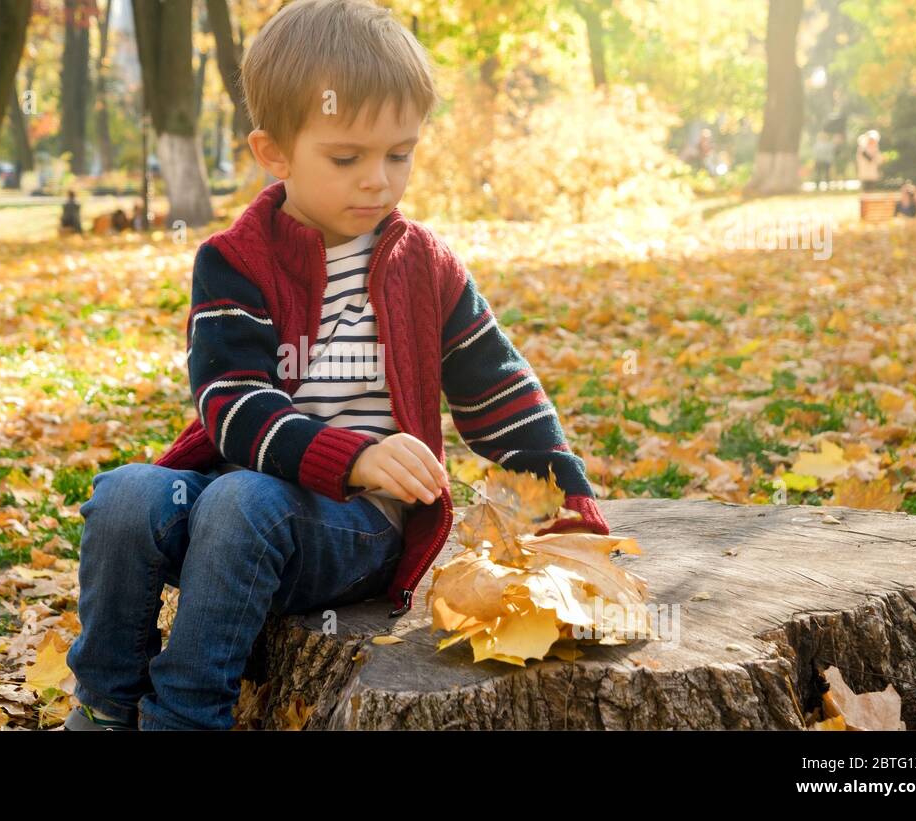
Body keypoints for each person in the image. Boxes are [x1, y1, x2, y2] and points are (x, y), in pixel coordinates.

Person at [63, 0, 609, 732]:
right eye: (347, 157)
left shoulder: (427, 267)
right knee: (128, 493)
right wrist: (355, 452)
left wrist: (569, 507)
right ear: (274, 152)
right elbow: (232, 406)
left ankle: (185, 717)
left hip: (358, 531)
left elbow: (503, 393)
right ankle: (104, 704)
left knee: (239, 504)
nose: (377, 181)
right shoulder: (234, 261)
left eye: (400, 153)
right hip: (240, 503)